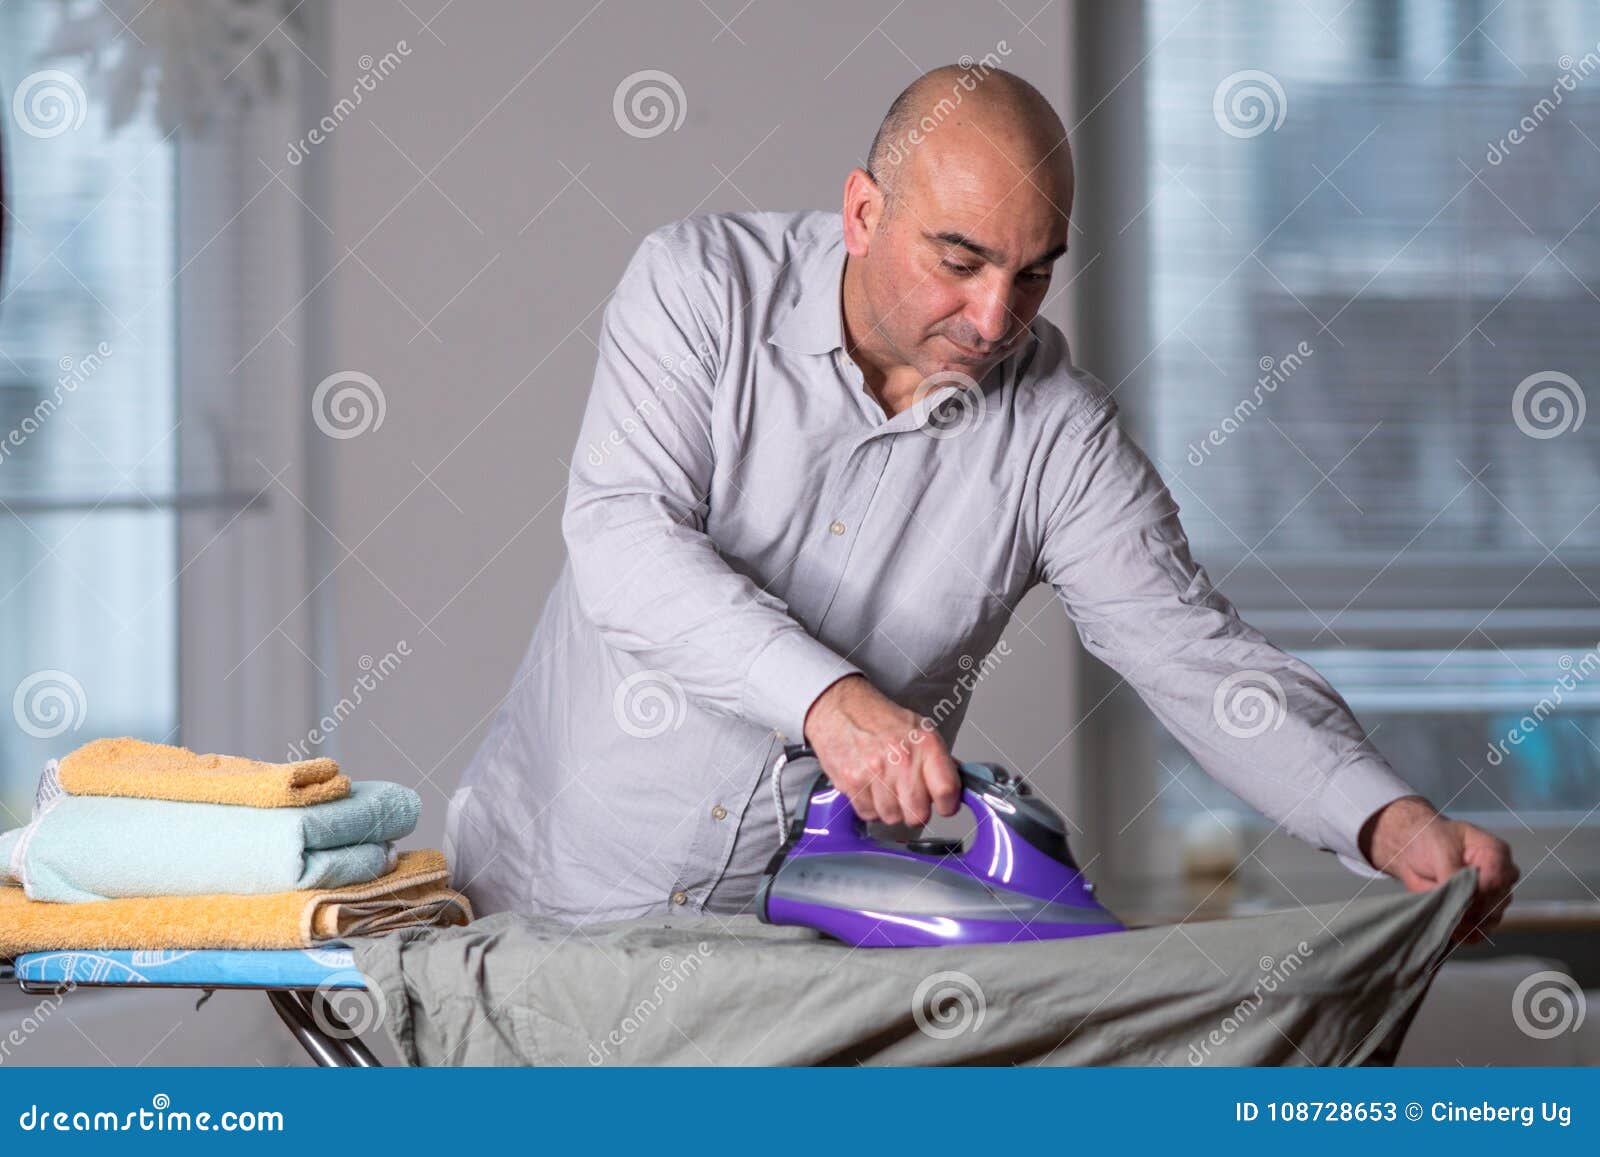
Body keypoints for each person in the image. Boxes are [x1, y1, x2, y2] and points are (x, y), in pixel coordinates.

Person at [446, 64, 1518, 943]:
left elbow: (1194, 657)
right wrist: (834, 703)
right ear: (864, 211)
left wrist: (1386, 818)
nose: (995, 316)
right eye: (958, 262)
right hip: (549, 901)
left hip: (788, 961)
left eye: (1034, 274)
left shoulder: (1058, 433)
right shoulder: (698, 288)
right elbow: (624, 538)